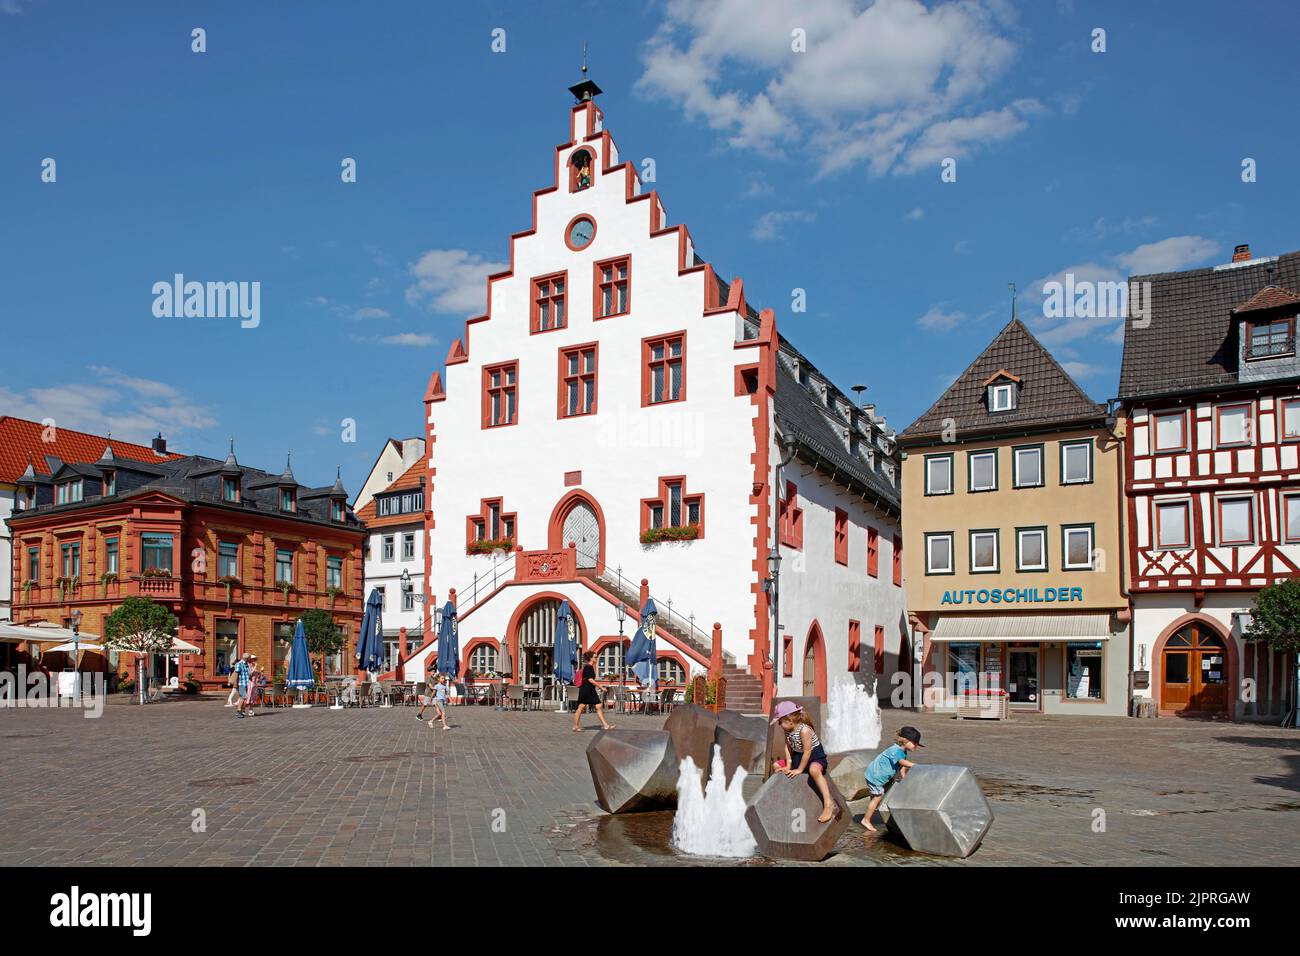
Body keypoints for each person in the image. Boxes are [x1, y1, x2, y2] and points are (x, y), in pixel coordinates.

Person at [770, 701, 837, 823]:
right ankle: (787, 797)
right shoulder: (788, 730)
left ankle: (828, 803)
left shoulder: (804, 730)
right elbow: (788, 746)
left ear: (789, 720)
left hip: (814, 757)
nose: (779, 724)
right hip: (798, 758)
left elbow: (807, 752)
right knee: (776, 765)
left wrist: (799, 770)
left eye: (780, 722)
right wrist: (789, 766)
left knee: (814, 770)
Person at [860, 726, 923, 832]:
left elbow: (901, 767)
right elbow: (901, 762)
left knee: (877, 796)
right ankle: (866, 820)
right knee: (878, 796)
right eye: (915, 743)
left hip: (878, 776)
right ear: (905, 741)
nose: (916, 746)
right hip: (875, 777)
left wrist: (903, 778)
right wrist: (914, 765)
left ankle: (873, 805)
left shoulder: (903, 751)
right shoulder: (895, 750)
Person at [571, 651, 614, 732]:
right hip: (586, 689)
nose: (596, 658)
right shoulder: (588, 667)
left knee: (598, 706)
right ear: (590, 658)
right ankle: (575, 726)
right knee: (581, 707)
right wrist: (601, 687)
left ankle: (606, 725)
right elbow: (590, 679)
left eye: (596, 657)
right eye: (595, 657)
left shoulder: (589, 667)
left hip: (590, 689)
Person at [233, 653, 251, 718]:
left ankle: (242, 711)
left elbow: (248, 674)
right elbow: (236, 674)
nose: (250, 659)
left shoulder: (246, 664)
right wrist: (235, 684)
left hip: (246, 683)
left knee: (242, 697)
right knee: (243, 697)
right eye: (249, 658)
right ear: (246, 658)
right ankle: (238, 710)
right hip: (241, 683)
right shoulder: (239, 664)